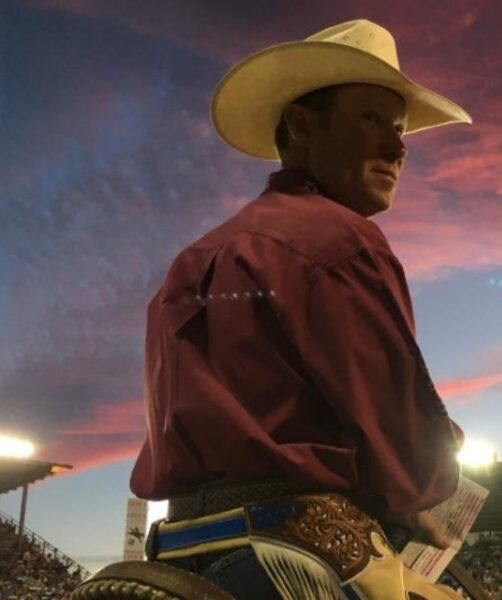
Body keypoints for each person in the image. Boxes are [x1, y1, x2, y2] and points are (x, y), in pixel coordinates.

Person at [129, 19, 472, 600]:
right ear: (304, 126)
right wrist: (434, 477)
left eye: (398, 128)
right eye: (372, 119)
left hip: (177, 545)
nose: (398, 147)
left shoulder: (188, 264)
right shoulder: (340, 241)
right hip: (293, 551)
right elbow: (404, 445)